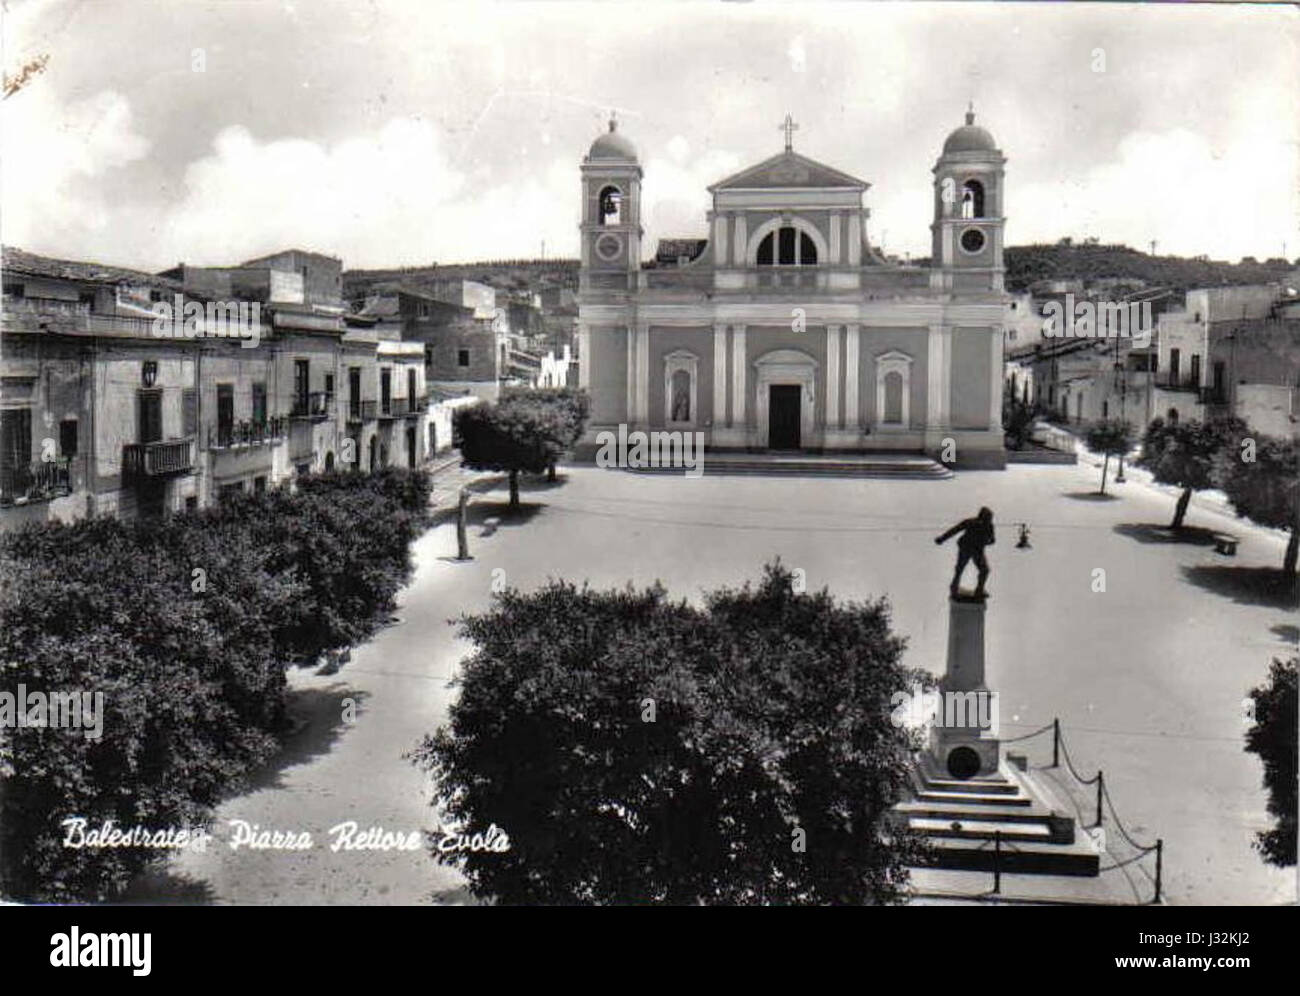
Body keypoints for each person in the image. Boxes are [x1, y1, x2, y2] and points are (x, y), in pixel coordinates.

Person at [935, 507, 995, 597]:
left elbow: (992, 540)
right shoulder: (970, 522)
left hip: (977, 550)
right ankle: (954, 589)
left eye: (989, 518)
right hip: (966, 548)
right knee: (960, 569)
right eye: (987, 518)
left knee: (984, 570)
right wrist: (942, 538)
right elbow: (954, 530)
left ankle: (979, 590)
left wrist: (985, 542)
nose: (988, 520)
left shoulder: (989, 526)